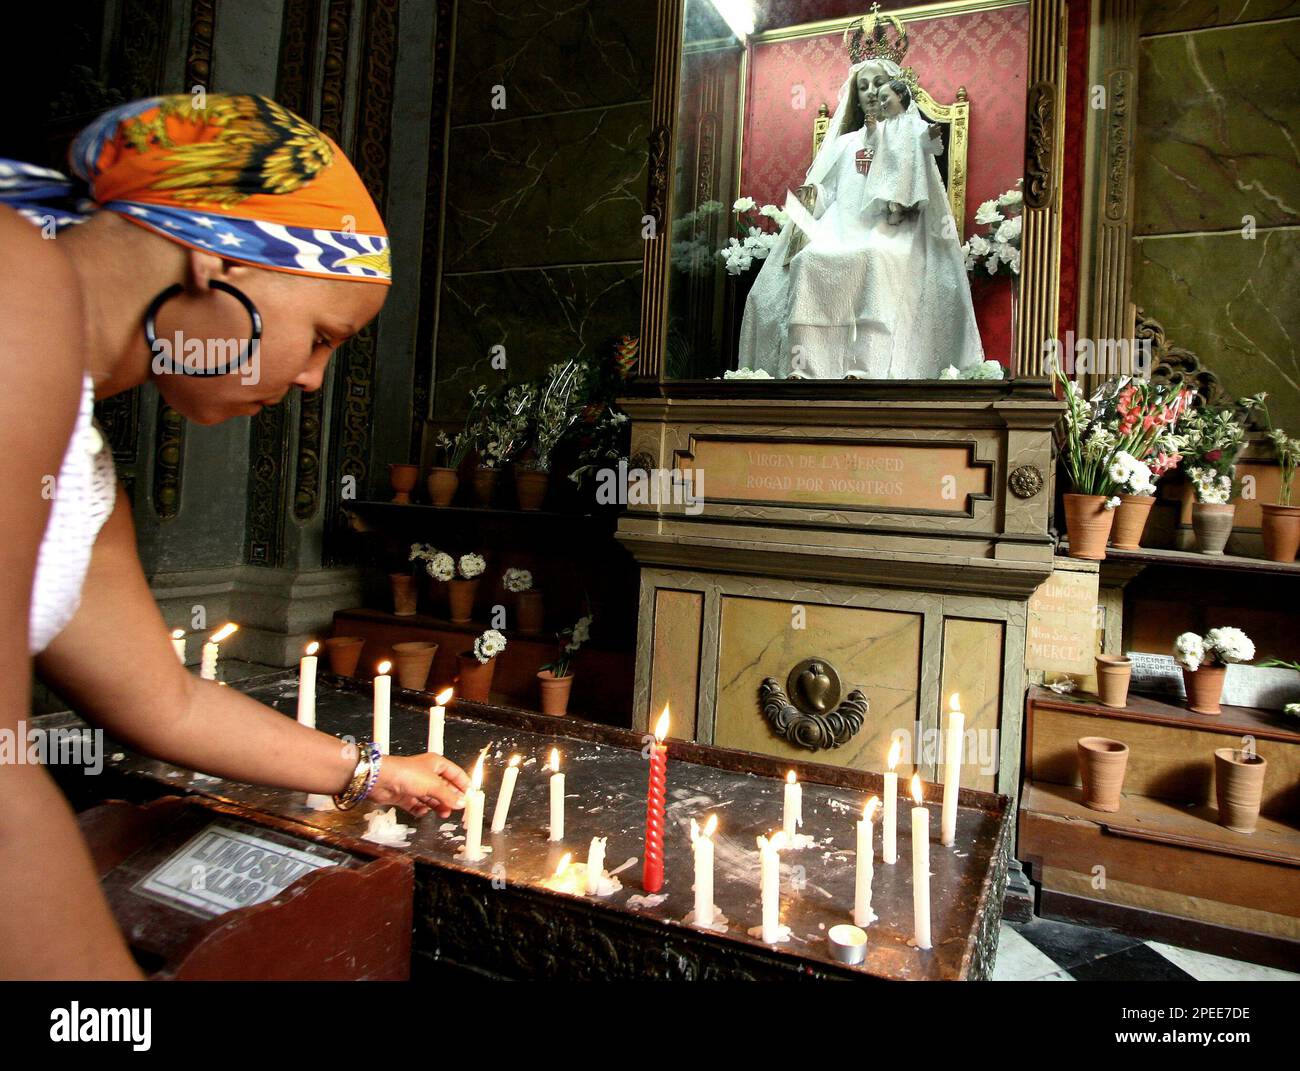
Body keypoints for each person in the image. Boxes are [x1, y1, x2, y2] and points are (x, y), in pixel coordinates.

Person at [0, 93, 470, 979]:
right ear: (216, 261)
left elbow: (162, 702)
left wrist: (369, 771)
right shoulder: (12, 280)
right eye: (323, 338)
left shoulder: (80, 464)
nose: (311, 381)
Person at [736, 59, 984, 380]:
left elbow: (922, 169)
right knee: (809, 259)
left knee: (874, 259)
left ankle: (867, 368)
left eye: (877, 83)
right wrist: (811, 194)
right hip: (842, 225)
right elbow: (830, 191)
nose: (870, 92)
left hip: (891, 227)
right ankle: (806, 368)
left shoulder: (905, 133)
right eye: (862, 86)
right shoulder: (845, 142)